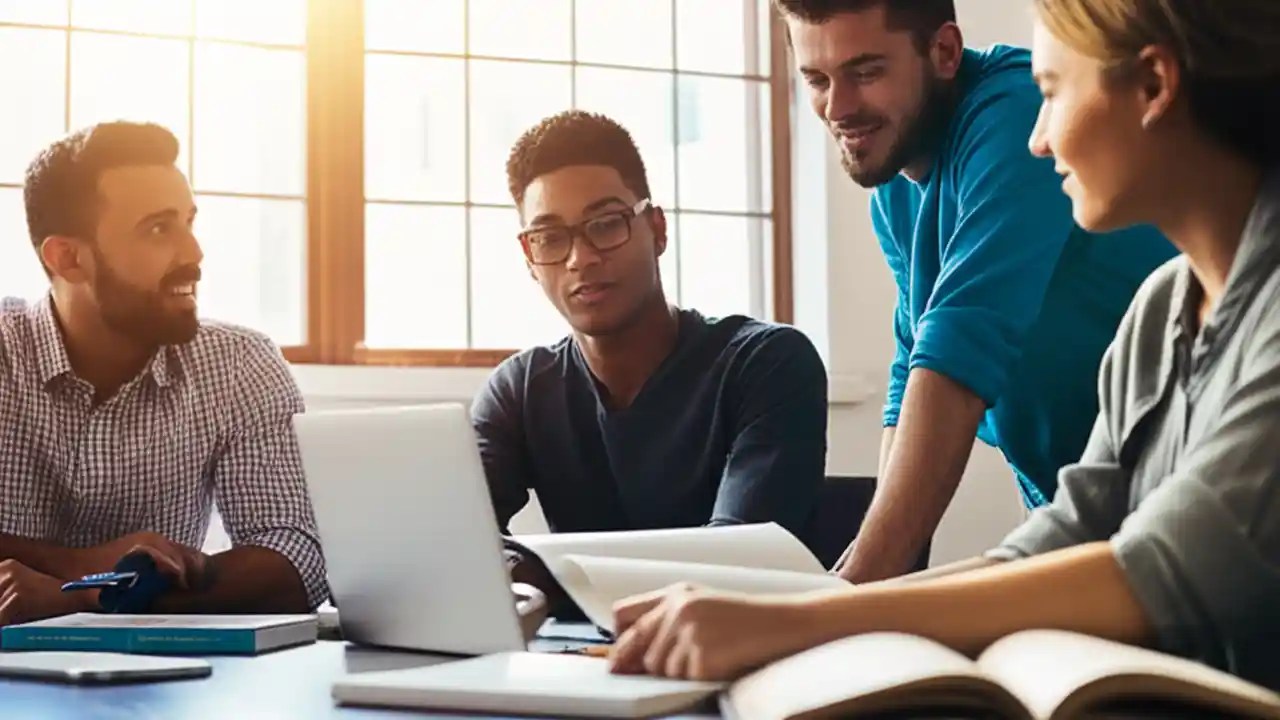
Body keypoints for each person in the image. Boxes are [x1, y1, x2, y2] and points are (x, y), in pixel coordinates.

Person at [606, 0, 1280, 690]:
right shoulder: (1159, 311)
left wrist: (803, 622)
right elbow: (1062, 536)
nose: (1041, 138)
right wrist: (821, 606)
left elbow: (1156, 569)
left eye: (1053, 93)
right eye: (815, 79)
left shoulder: (1003, 117)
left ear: (1153, 87)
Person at [775, 0, 1176, 584]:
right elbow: (911, 368)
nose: (838, 108)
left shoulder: (1013, 115)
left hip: (1176, 483)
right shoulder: (896, 191)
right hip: (1077, 503)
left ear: (943, 52)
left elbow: (957, 354)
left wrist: (853, 593)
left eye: (866, 73)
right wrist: (878, 574)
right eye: (817, 79)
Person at [472, 110, 828, 579]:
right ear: (529, 258)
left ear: (657, 230)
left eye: (605, 224)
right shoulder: (520, 391)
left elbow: (736, 568)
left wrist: (534, 573)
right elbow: (444, 541)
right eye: (550, 238)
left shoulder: (766, 364)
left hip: (733, 646)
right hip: (572, 653)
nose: (581, 258)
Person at [0, 122, 328, 625]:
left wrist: (88, 597)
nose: (194, 254)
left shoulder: (241, 365)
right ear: (67, 258)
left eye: (189, 222)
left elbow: (296, 559)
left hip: (164, 689)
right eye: (158, 228)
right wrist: (84, 567)